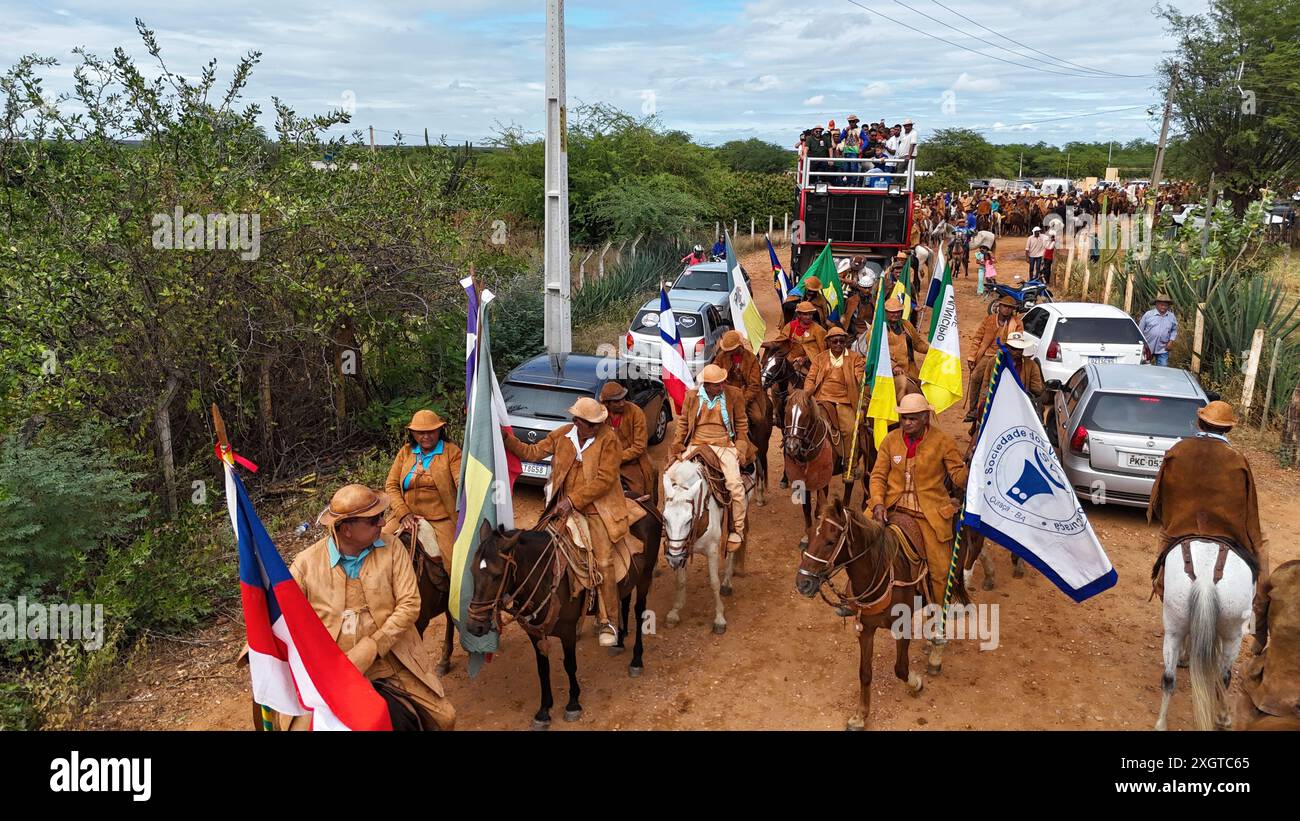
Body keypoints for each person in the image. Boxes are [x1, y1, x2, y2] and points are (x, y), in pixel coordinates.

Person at [285, 484, 456, 730]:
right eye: (374, 519)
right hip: (332, 669)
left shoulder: (393, 548)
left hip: (394, 658)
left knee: (444, 718)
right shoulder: (305, 564)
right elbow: (282, 612)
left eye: (381, 516)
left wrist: (372, 647)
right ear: (347, 530)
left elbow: (410, 604)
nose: (383, 523)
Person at [503, 397, 629, 646]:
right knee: (535, 546)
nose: (595, 428)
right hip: (561, 507)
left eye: (596, 424)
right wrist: (507, 439)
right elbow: (533, 452)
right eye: (590, 424)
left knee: (603, 561)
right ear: (577, 421)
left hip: (597, 508)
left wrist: (573, 501)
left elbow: (605, 480)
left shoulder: (609, 440)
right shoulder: (562, 435)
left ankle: (608, 620)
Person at [1148, 400, 1267, 590]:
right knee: (1262, 540)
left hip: (1181, 525)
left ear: (1198, 423)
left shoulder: (1177, 451)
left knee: (1165, 533)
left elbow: (1159, 497)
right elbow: (1248, 506)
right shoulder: (1237, 459)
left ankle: (1160, 583)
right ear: (1228, 429)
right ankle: (1260, 600)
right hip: (1227, 530)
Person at [869, 393, 968, 606]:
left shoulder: (943, 441)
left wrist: (972, 467)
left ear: (925, 417)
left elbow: (959, 478)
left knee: (940, 570)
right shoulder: (890, 440)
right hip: (891, 505)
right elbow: (878, 475)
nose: (907, 423)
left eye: (912, 418)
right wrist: (877, 502)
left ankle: (940, 615)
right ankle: (856, 599)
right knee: (857, 539)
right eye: (904, 418)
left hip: (929, 512)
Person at [670, 364, 750, 550]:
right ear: (705, 385)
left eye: (722, 382)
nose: (721, 386)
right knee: (671, 476)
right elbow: (683, 423)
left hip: (723, 445)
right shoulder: (692, 396)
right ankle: (671, 524)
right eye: (716, 384)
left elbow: (741, 422)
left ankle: (737, 529)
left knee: (735, 486)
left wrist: (740, 446)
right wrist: (678, 443)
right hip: (696, 443)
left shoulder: (734, 394)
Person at [383, 410, 461, 568]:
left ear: (440, 430)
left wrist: (464, 486)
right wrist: (403, 513)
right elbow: (391, 485)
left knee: (454, 565)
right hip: (406, 513)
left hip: (441, 517)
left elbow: (460, 479)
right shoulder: (405, 452)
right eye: (420, 432)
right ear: (412, 433)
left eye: (431, 431)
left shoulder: (451, 452)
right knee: (374, 545)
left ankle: (458, 593)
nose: (426, 436)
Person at [1235, 559, 1300, 731]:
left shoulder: (1284, 574)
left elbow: (1257, 610)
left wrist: (1259, 638)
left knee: (1245, 678)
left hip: (1272, 686)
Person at [804, 326, 867, 481]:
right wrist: (806, 394)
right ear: (828, 342)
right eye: (835, 341)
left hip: (845, 401)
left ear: (845, 342)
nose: (838, 344)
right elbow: (811, 378)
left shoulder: (854, 358)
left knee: (850, 429)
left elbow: (859, 376)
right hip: (822, 399)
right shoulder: (820, 358)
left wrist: (862, 378)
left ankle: (849, 466)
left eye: (841, 341)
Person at [965, 295, 1023, 422]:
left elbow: (1018, 343)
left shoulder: (1017, 323)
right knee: (976, 377)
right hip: (987, 355)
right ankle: (973, 410)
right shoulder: (989, 319)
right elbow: (977, 338)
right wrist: (972, 356)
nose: (1007, 310)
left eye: (1010, 308)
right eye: (1005, 306)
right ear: (999, 307)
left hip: (1006, 356)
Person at [600, 381, 657, 506]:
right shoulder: (599, 414)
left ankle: (649, 511)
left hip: (631, 462)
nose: (622, 403)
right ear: (606, 403)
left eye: (623, 398)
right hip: (603, 461)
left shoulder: (636, 412)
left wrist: (617, 458)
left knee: (639, 491)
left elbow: (639, 446)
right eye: (616, 401)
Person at [863, 295, 929, 399]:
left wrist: (932, 350)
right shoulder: (876, 329)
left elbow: (918, 344)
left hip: (910, 369)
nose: (896, 314)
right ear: (885, 312)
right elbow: (876, 352)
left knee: (921, 393)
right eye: (892, 312)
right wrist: (893, 366)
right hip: (887, 371)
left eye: (898, 311)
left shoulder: (906, 325)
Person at [711, 329, 765, 432]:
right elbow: (714, 369)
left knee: (758, 419)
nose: (728, 352)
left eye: (731, 349)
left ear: (739, 347)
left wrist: (743, 401)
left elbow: (754, 385)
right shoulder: (722, 356)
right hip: (725, 392)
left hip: (746, 393)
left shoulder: (751, 359)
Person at [1139, 293, 1178, 366]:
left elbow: (1174, 330)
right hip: (1147, 347)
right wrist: (1142, 345)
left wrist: (1171, 341)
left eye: (1166, 305)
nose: (1163, 307)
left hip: (1163, 348)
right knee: (1144, 368)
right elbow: (1140, 330)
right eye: (1161, 304)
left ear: (1168, 306)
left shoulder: (1171, 317)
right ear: (1156, 304)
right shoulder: (1148, 315)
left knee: (1163, 368)